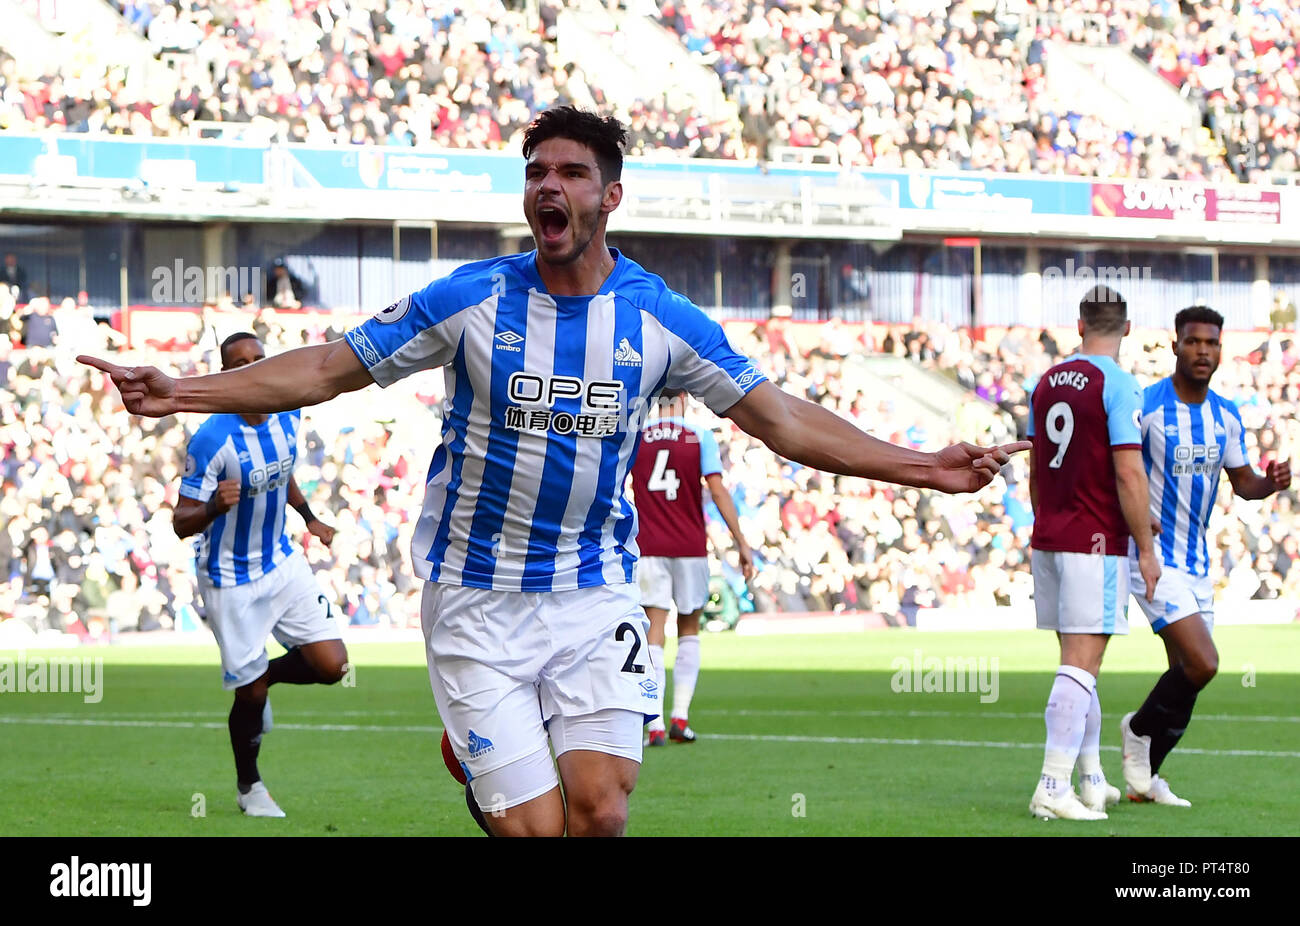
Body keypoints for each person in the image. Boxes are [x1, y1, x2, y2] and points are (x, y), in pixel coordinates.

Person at [80, 107, 1027, 838]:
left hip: (593, 590)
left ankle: (500, 760)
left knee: (603, 815)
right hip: (475, 599)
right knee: (537, 832)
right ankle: (482, 760)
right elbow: (329, 365)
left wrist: (926, 468)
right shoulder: (470, 298)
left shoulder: (660, 318)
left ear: (609, 196)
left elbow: (779, 419)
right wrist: (184, 392)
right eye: (536, 171)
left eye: (572, 172)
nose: (549, 185)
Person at [170, 332, 348, 818]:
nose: (252, 367)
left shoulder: (288, 411)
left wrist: (309, 516)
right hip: (230, 579)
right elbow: (180, 523)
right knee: (246, 695)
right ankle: (250, 788)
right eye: (239, 363)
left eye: (258, 359)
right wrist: (210, 506)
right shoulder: (211, 438)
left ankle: (260, 681)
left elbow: (281, 471)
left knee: (334, 667)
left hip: (282, 562)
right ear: (228, 374)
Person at [1120, 306, 1291, 807]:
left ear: (1221, 350)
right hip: (1150, 556)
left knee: (1187, 677)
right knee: (1203, 662)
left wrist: (1271, 483)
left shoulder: (1226, 415)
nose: (1202, 351)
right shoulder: (1146, 407)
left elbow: (1245, 484)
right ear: (1175, 346)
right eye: (1193, 342)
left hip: (1198, 563)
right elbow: (1121, 474)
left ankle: (1147, 781)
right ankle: (1137, 730)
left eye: (1211, 343)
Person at [1026, 284, 1160, 822]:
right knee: (1083, 664)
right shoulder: (1120, 384)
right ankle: (1052, 786)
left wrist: (1047, 524)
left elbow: (1040, 469)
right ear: (1126, 329)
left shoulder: (1047, 381)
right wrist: (1145, 548)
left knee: (1078, 663)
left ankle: (1091, 779)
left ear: (1079, 325)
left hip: (1052, 536)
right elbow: (1128, 470)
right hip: (1095, 541)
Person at [629, 388, 754, 747]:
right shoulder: (699, 436)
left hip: (649, 547)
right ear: (683, 399)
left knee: (653, 630)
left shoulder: (639, 434)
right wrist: (741, 543)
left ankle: (652, 723)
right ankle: (679, 718)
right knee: (689, 628)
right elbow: (716, 490)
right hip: (689, 547)